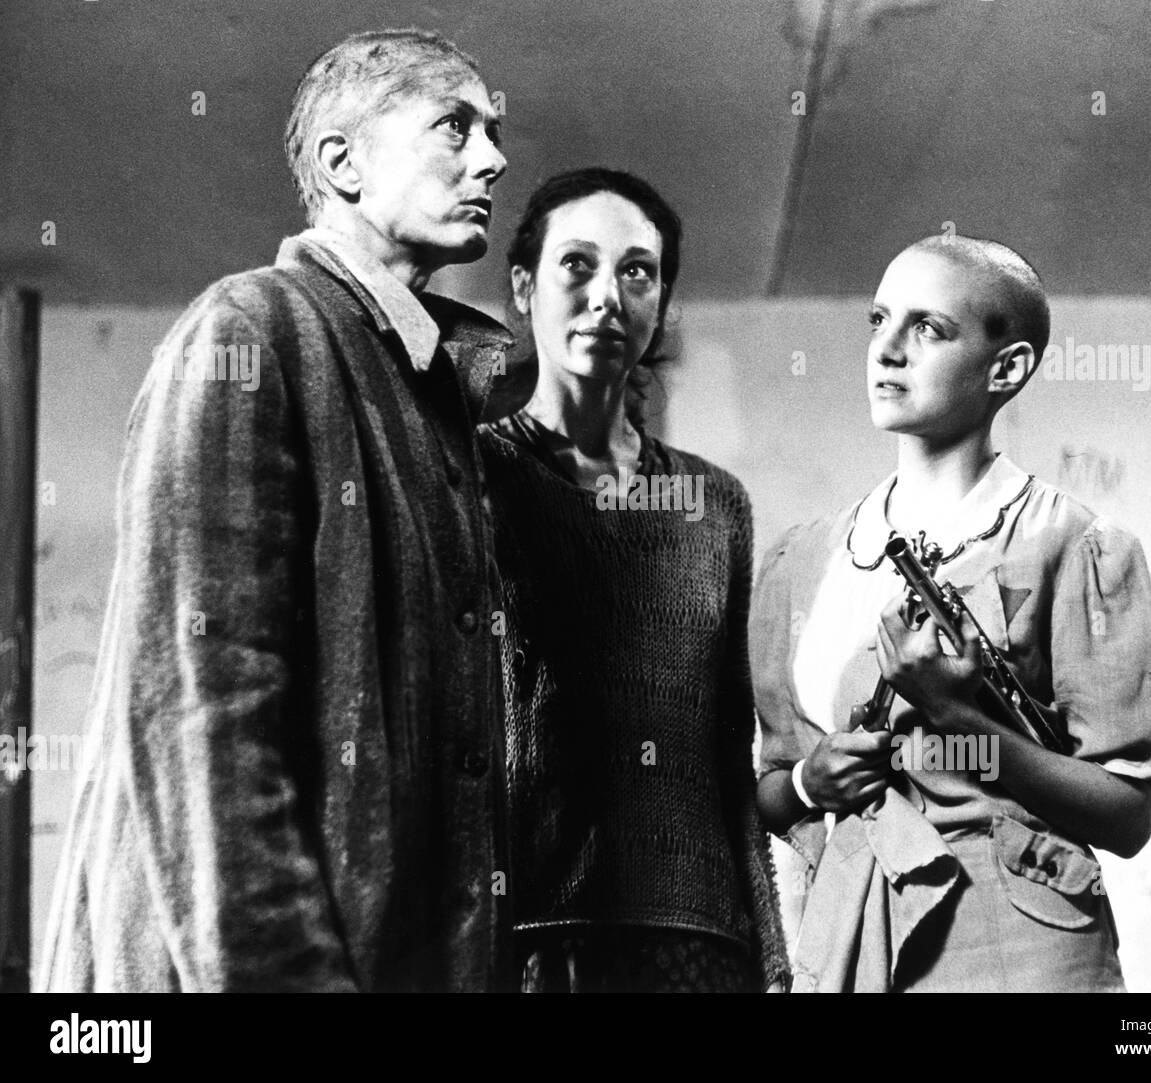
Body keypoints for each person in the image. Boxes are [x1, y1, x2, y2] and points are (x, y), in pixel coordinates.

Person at [39, 28, 522, 992]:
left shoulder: (426, 396)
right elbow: (202, 712)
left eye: (495, 132)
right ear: (342, 163)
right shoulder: (248, 328)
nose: (494, 158)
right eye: (454, 125)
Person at [752, 235, 1151, 992]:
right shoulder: (799, 562)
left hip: (1014, 941)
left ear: (1005, 369)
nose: (887, 350)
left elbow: (1125, 814)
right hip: (845, 932)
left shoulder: (1077, 546)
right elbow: (770, 790)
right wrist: (811, 782)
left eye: (928, 328)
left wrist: (961, 718)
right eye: (878, 320)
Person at [477, 168, 790, 992]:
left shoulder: (713, 505)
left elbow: (730, 744)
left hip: (697, 945)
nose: (607, 296)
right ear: (522, 288)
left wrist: (771, 955)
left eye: (637, 271)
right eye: (576, 265)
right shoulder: (464, 477)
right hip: (526, 941)